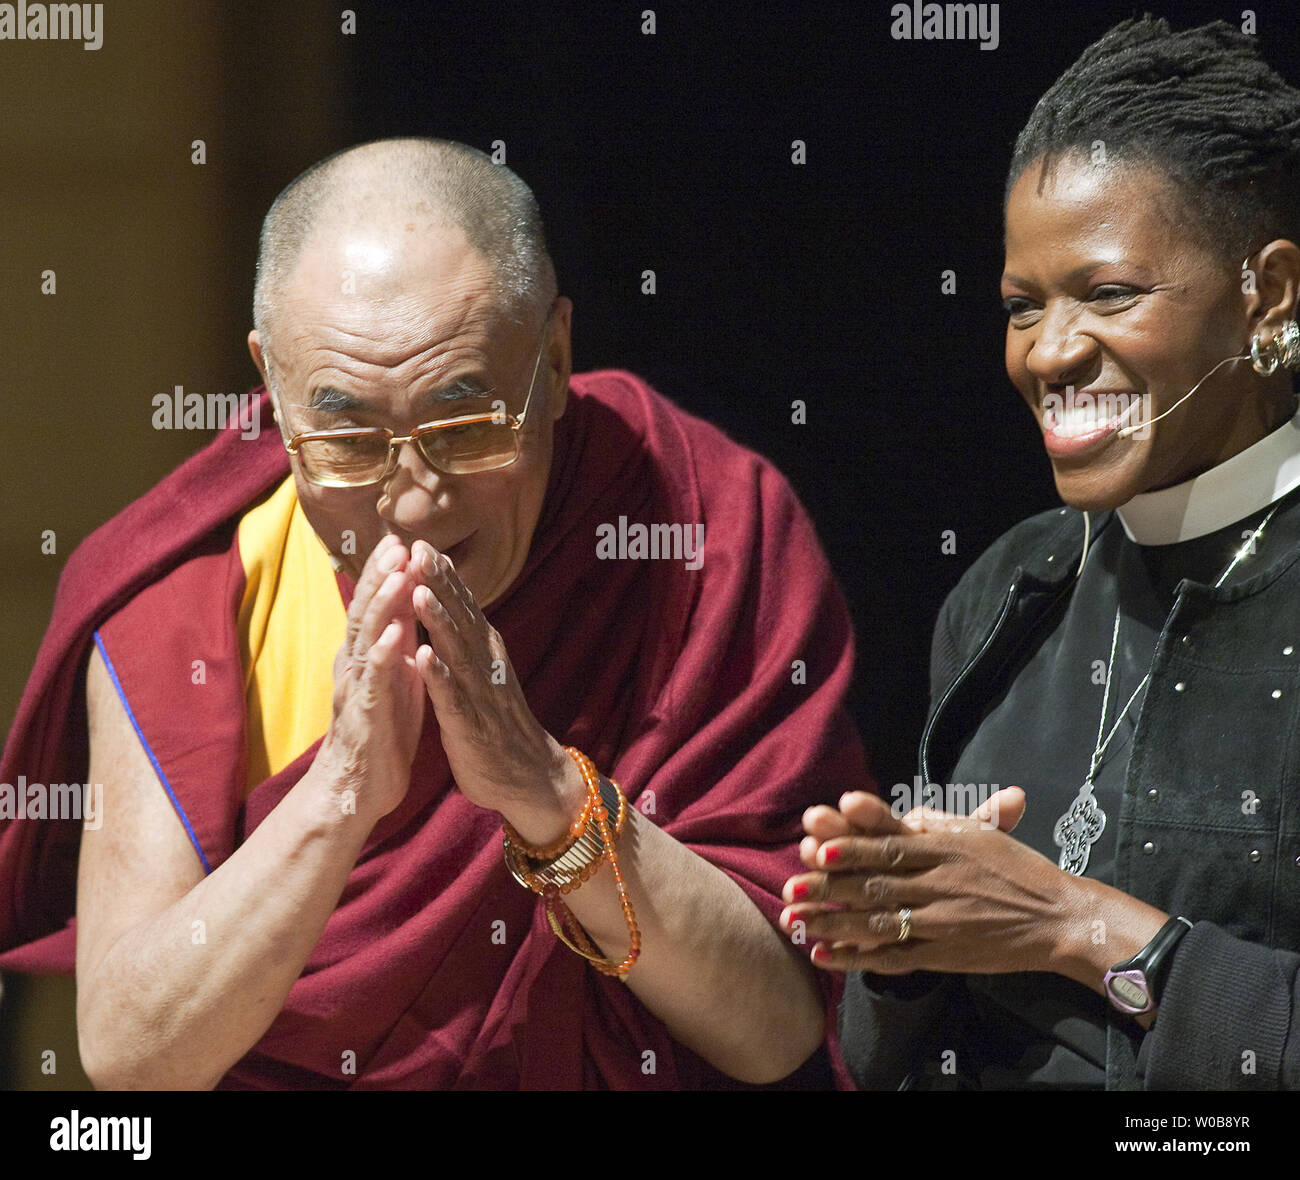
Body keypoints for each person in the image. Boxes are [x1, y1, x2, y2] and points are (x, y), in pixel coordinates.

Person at [0, 138, 867, 1089]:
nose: (411, 503)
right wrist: (343, 791)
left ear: (557, 355)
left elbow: (779, 1023)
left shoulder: (698, 525)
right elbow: (130, 1056)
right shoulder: (194, 606)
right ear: (271, 384)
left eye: (463, 426)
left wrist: (548, 794)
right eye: (347, 439)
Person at [783, 17, 1300, 1090]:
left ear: (1270, 293)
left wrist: (1073, 924)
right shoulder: (1006, 595)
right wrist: (900, 936)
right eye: (1023, 306)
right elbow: (880, 1060)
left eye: (1108, 293)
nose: (1050, 352)